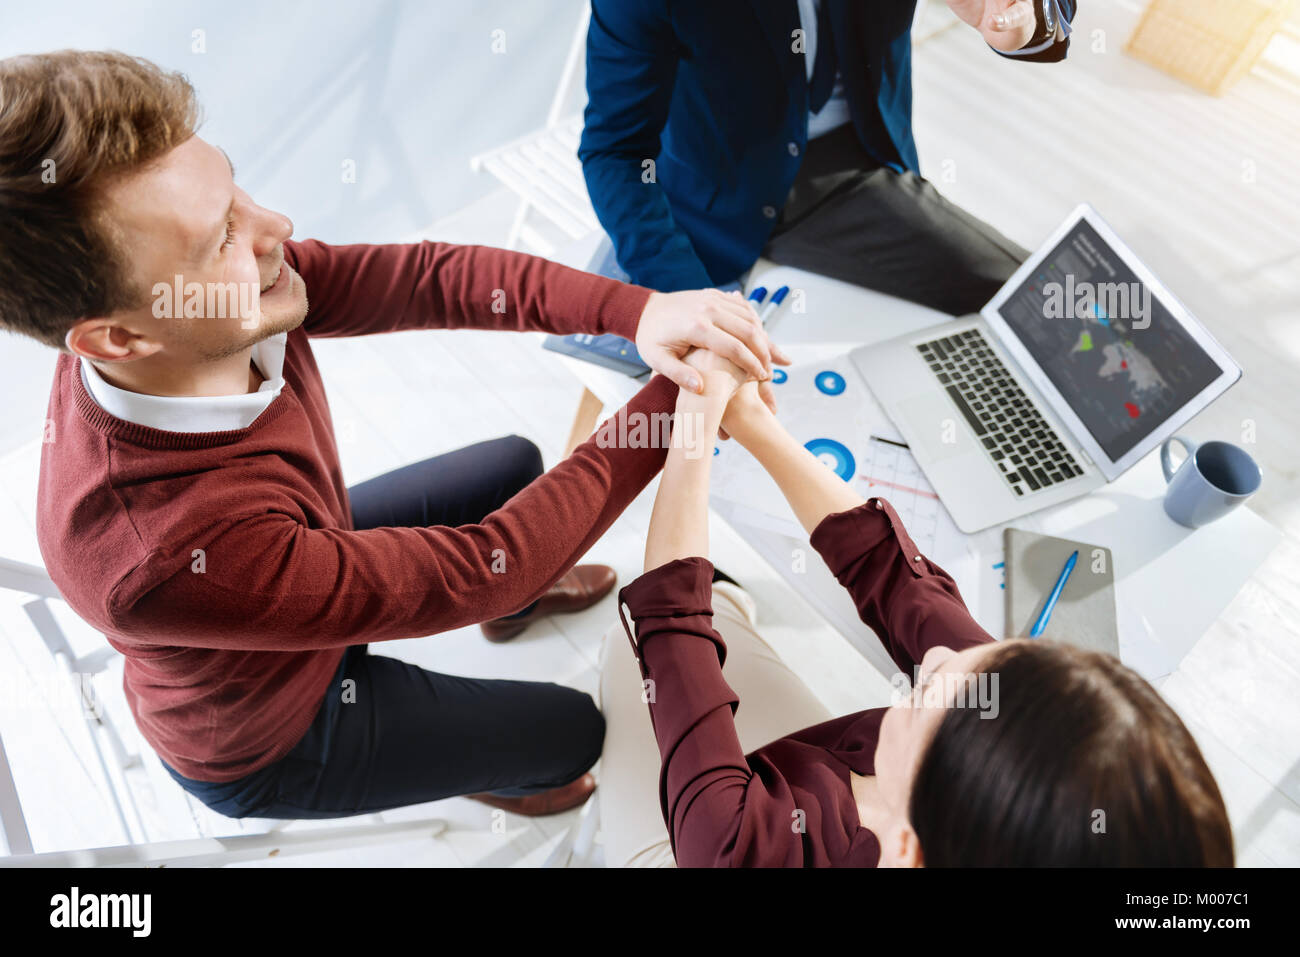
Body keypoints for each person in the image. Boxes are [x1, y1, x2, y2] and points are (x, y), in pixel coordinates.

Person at [1, 51, 781, 820]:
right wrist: (680, 395)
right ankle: (472, 767)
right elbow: (487, 566)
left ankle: (500, 644)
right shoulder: (161, 559)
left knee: (515, 464)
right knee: (577, 732)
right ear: (113, 339)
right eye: (220, 240)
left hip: (296, 547)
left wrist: (637, 313)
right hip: (279, 729)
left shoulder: (203, 305)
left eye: (236, 188)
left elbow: (427, 277)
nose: (276, 227)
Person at [598, 349, 1234, 866]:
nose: (939, 660)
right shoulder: (985, 717)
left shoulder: (740, 850)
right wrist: (749, 419)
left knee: (635, 655)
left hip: (689, 841)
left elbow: (671, 624)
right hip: (798, 781)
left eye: (928, 695)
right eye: (1004, 659)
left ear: (908, 849)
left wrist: (693, 429)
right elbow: (892, 575)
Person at [580, 0, 1076, 314]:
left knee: (1044, 304)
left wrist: (1024, 20)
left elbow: (1050, 10)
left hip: (861, 163)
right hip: (717, 200)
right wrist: (687, 297)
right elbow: (615, 149)